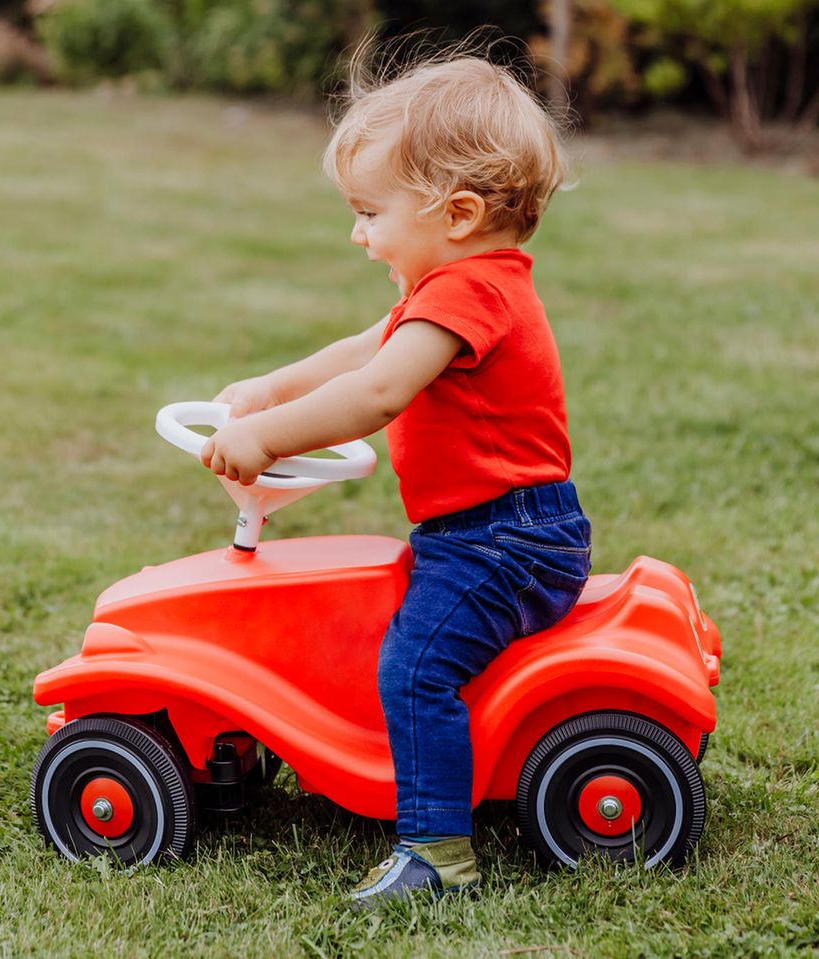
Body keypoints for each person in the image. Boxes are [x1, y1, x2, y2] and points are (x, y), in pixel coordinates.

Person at [199, 53, 591, 907]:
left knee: (415, 666)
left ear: (456, 214)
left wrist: (264, 437)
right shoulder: (452, 285)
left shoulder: (471, 294)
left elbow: (377, 392)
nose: (357, 233)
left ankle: (437, 853)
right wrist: (269, 388)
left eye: (370, 212)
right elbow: (360, 351)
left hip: (507, 541)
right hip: (485, 530)